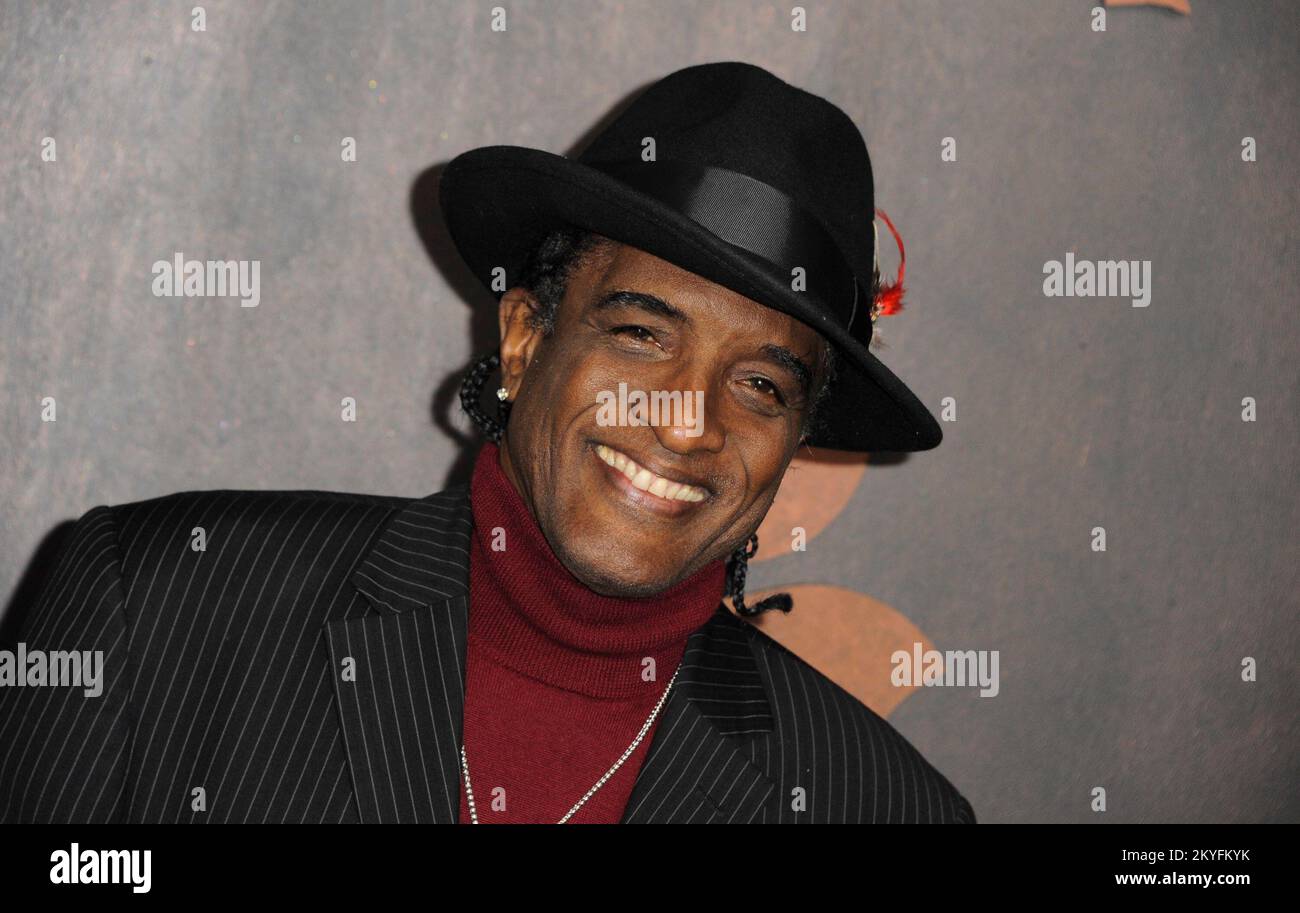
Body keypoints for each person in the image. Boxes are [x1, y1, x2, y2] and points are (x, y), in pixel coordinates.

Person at [0, 61, 973, 823]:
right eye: (640, 333)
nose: (687, 420)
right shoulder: (156, 610)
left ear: (793, 441)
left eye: (761, 384)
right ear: (522, 337)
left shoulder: (876, 804)